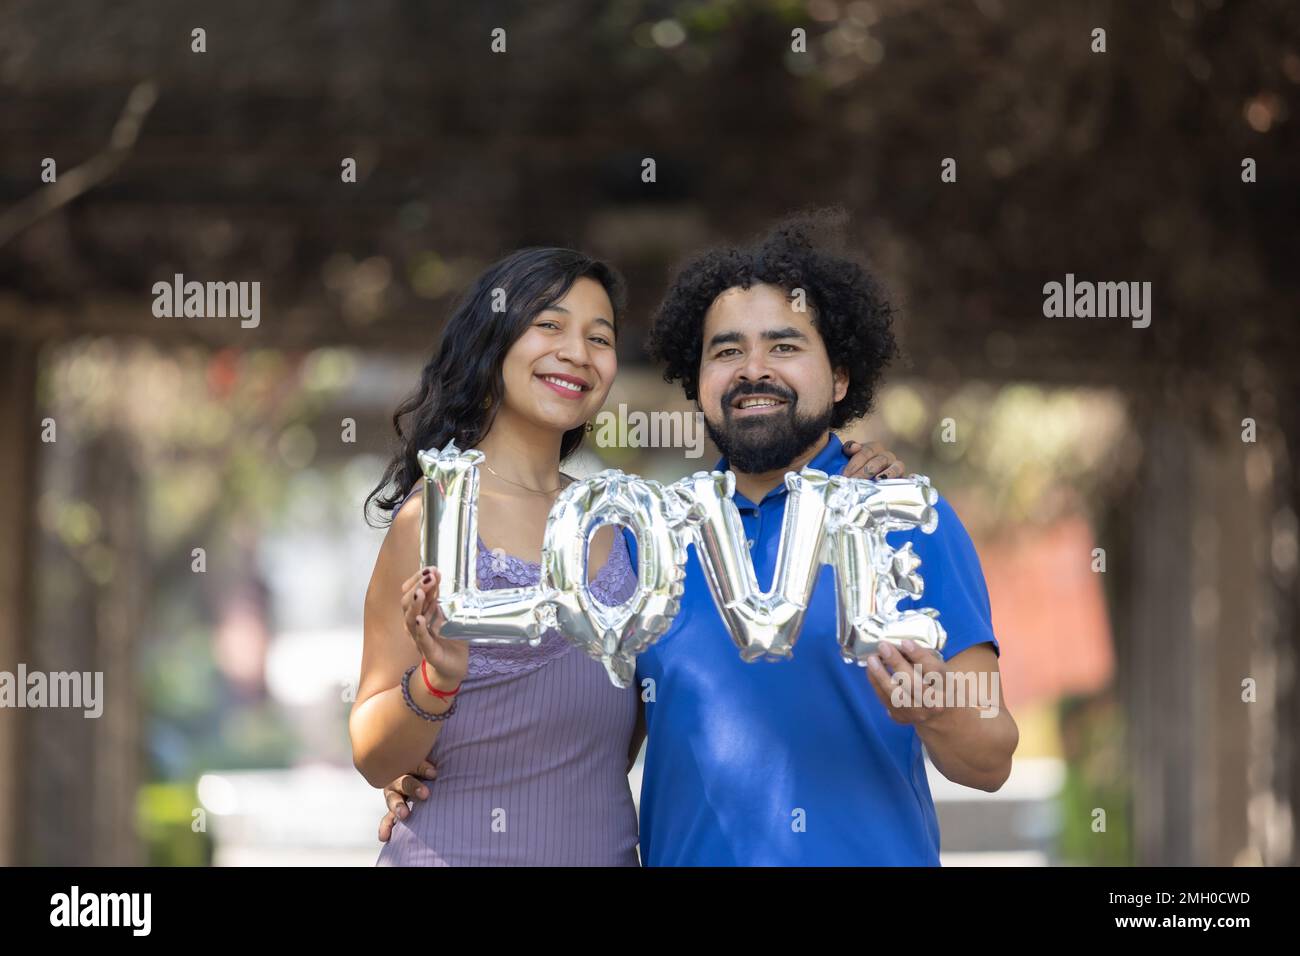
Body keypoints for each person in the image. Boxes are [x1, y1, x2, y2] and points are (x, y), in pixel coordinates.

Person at [352, 243, 902, 865]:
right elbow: (375, 756)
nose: (576, 353)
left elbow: (648, 709)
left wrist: (849, 467)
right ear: (493, 342)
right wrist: (434, 686)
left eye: (600, 336)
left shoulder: (635, 528)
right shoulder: (433, 520)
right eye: (549, 326)